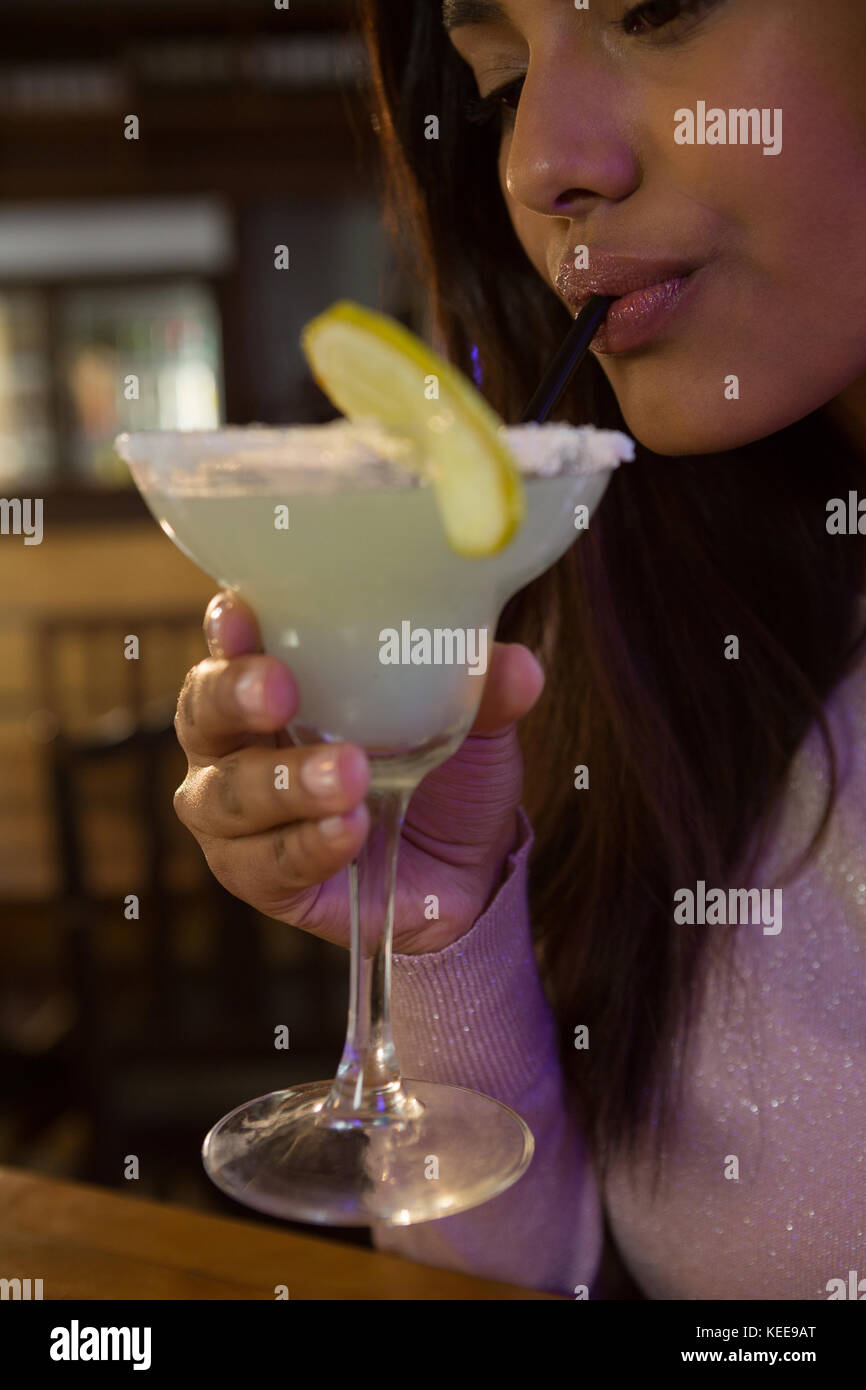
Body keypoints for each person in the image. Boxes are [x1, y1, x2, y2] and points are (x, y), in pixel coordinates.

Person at [171, 0, 866, 1298]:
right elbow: (519, 1274)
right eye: (497, 84)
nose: (537, 161)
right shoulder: (618, 630)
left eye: (655, 10)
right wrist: (442, 926)